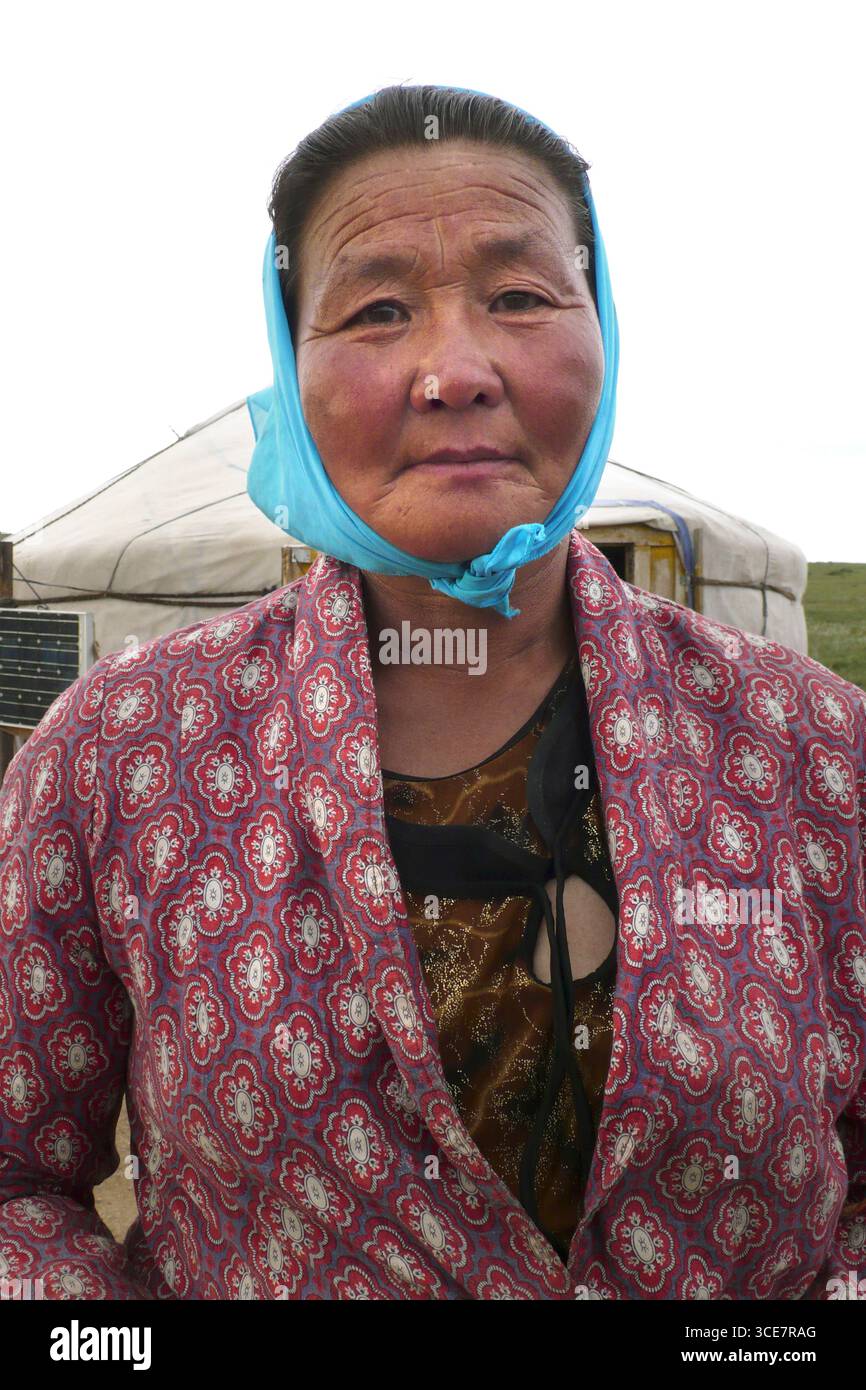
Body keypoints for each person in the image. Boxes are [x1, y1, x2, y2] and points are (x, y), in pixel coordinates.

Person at [0, 83, 864, 1302]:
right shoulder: (120, 752)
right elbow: (15, 1186)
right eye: (376, 309)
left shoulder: (811, 747)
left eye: (520, 297)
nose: (455, 371)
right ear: (287, 364)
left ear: (603, 328)